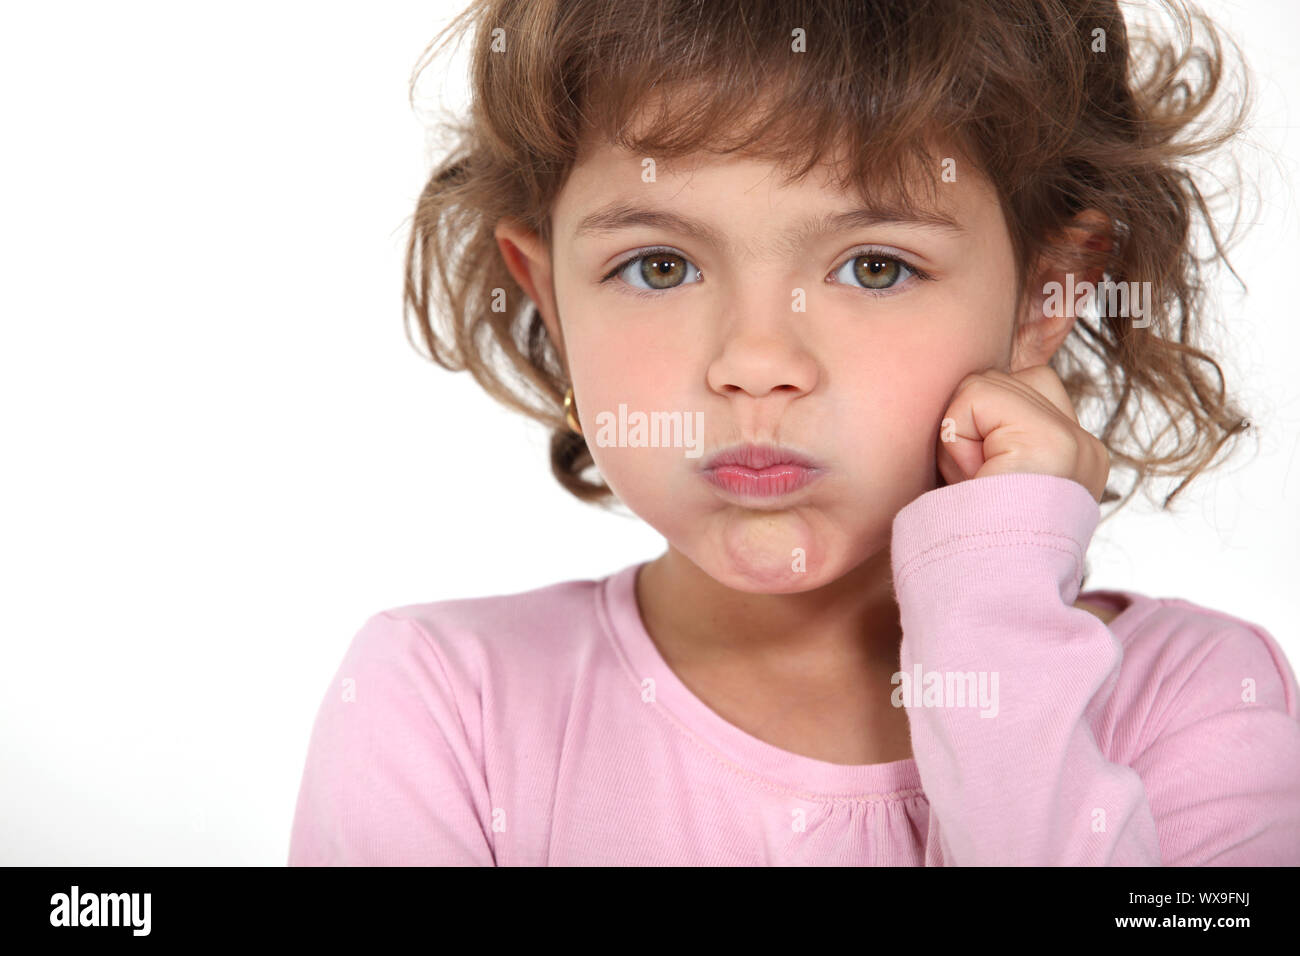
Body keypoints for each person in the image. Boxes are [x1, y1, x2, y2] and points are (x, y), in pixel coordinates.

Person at [288, 0, 1300, 865]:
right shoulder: (441, 704)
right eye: (659, 266)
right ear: (547, 296)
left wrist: (991, 611)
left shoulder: (1199, 701)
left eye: (874, 266)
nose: (757, 357)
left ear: (1048, 290)